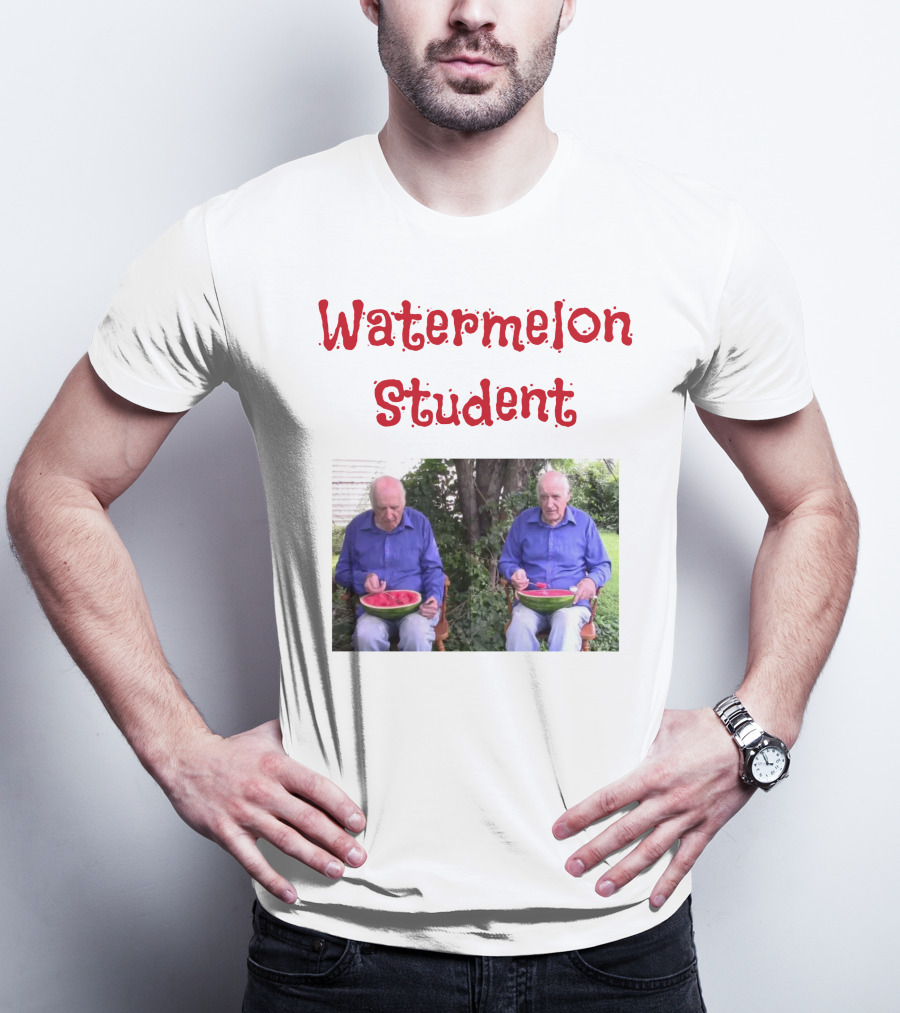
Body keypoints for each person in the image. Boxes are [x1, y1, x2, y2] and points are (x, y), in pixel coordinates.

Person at [6, 1, 858, 1010]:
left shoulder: (695, 248)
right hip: (335, 943)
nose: (473, 11)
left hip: (616, 938)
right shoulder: (237, 246)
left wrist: (757, 727)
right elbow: (55, 484)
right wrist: (181, 751)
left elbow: (815, 502)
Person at [500, 470, 611, 650]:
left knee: (566, 623)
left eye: (555, 497)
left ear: (568, 496)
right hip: (531, 603)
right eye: (544, 497)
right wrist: (514, 572)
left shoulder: (584, 523)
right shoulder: (523, 522)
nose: (549, 504)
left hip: (571, 604)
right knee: (519, 626)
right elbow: (506, 561)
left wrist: (592, 580)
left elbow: (602, 565)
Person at [334, 475, 444, 651]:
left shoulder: (420, 523)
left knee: (416, 634)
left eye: (395, 507)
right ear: (372, 505)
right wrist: (363, 578)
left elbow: (433, 568)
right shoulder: (356, 528)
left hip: (416, 609)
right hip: (374, 612)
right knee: (365, 636)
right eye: (381, 508)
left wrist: (434, 597)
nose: (389, 515)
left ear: (404, 502)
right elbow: (341, 573)